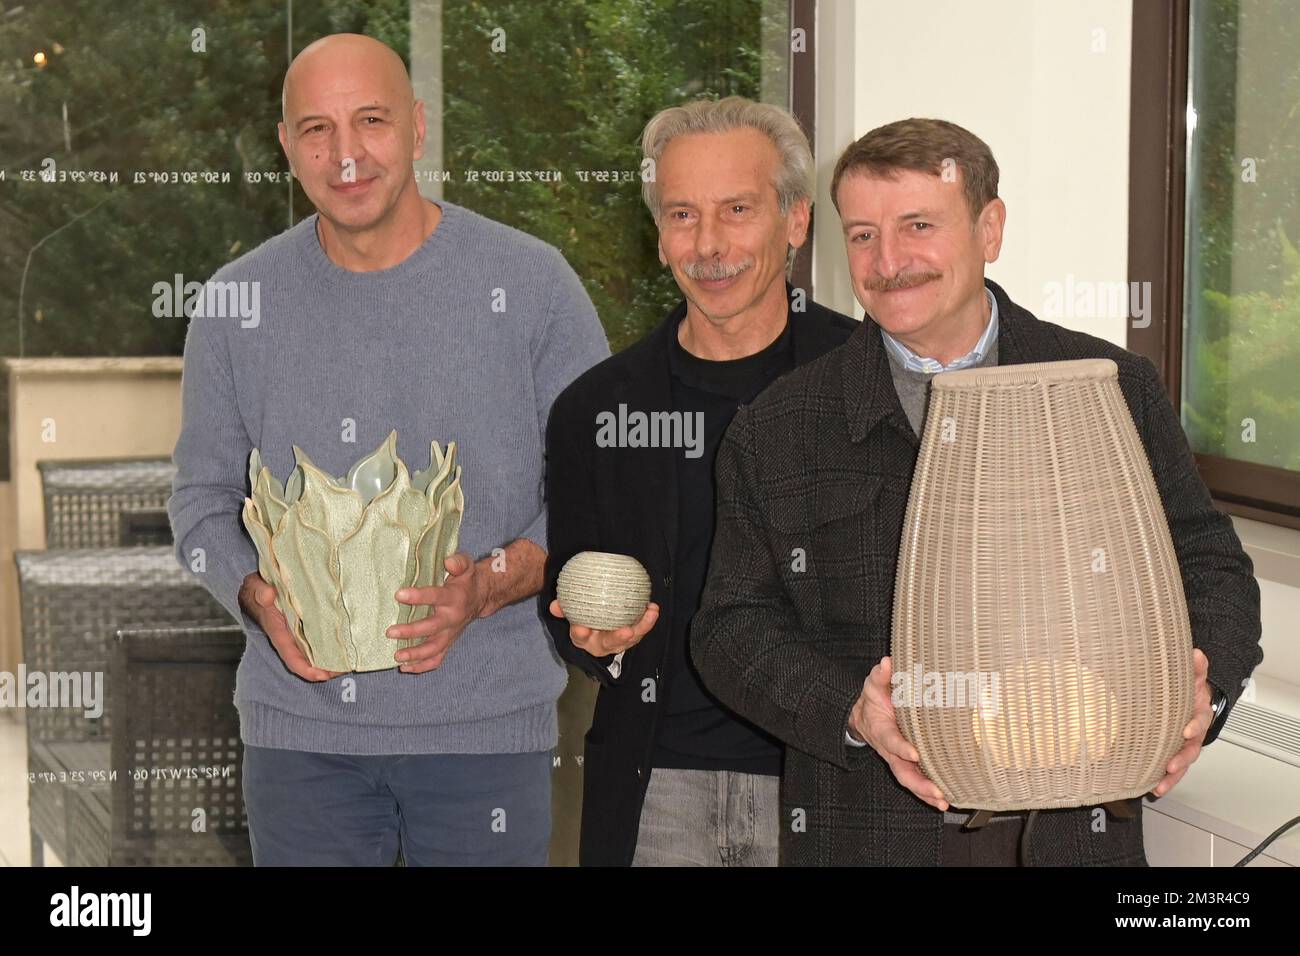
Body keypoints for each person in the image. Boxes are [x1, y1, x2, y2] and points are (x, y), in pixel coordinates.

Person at [690, 117, 1264, 865]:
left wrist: (1203, 695)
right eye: (862, 235)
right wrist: (851, 712)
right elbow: (730, 626)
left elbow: (1213, 567)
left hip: (1077, 837)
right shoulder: (780, 427)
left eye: (918, 226)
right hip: (870, 832)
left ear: (989, 228)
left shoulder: (1112, 388)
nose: (888, 261)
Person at [167, 33, 609, 865]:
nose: (345, 156)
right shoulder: (236, 304)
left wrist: (491, 583)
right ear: (286, 146)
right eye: (316, 130)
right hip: (299, 744)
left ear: (417, 125)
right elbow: (198, 504)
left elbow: (601, 490)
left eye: (369, 121)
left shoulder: (533, 285)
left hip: (486, 737)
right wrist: (253, 593)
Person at [540, 97, 857, 866]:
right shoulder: (596, 407)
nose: (709, 245)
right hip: (657, 795)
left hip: (829, 781)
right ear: (660, 237)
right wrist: (589, 636)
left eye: (737, 210)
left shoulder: (867, 384)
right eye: (683, 215)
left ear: (796, 221)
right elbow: (569, 590)